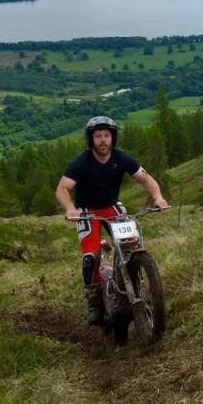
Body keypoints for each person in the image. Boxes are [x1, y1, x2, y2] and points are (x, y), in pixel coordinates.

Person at [56, 116, 169, 325]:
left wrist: (158, 197)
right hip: (87, 212)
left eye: (106, 135)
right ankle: (94, 302)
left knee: (131, 246)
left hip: (112, 207)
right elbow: (62, 188)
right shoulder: (81, 163)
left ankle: (133, 281)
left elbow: (145, 178)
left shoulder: (122, 159)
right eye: (98, 136)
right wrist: (71, 209)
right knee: (91, 256)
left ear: (112, 138)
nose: (102, 140)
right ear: (91, 139)